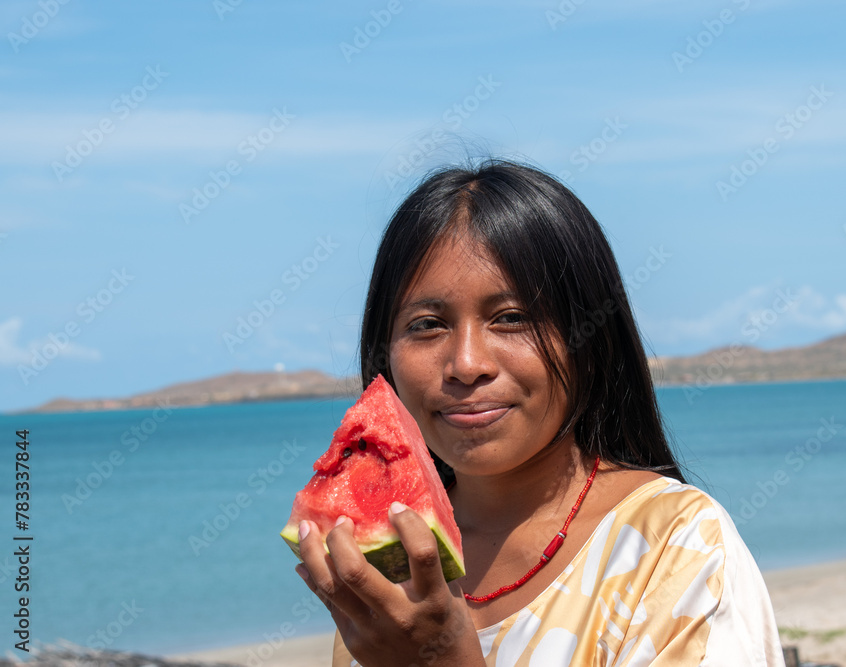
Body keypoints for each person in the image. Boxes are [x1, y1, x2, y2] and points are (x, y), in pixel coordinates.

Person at [295, 159, 785, 666]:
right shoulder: (381, 564)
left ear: (588, 341)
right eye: (427, 324)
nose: (467, 364)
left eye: (511, 318)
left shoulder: (675, 543)